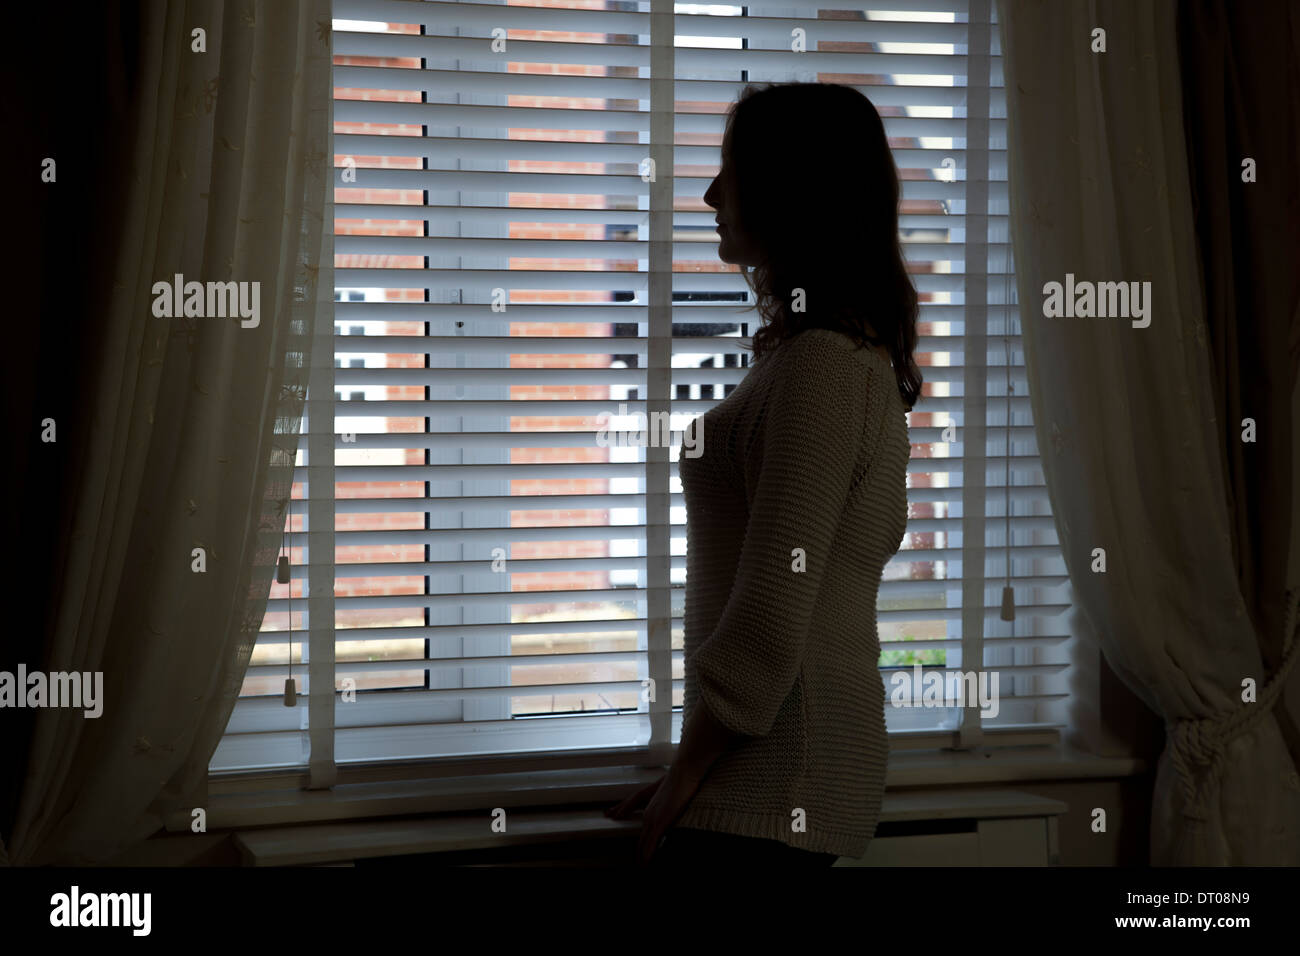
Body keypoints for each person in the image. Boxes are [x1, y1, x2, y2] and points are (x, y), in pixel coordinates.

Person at [606, 82, 922, 866]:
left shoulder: (822, 366)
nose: (711, 195)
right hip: (769, 761)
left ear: (792, 191)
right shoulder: (817, 356)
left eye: (731, 173)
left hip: (781, 768)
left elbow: (776, 603)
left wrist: (691, 766)